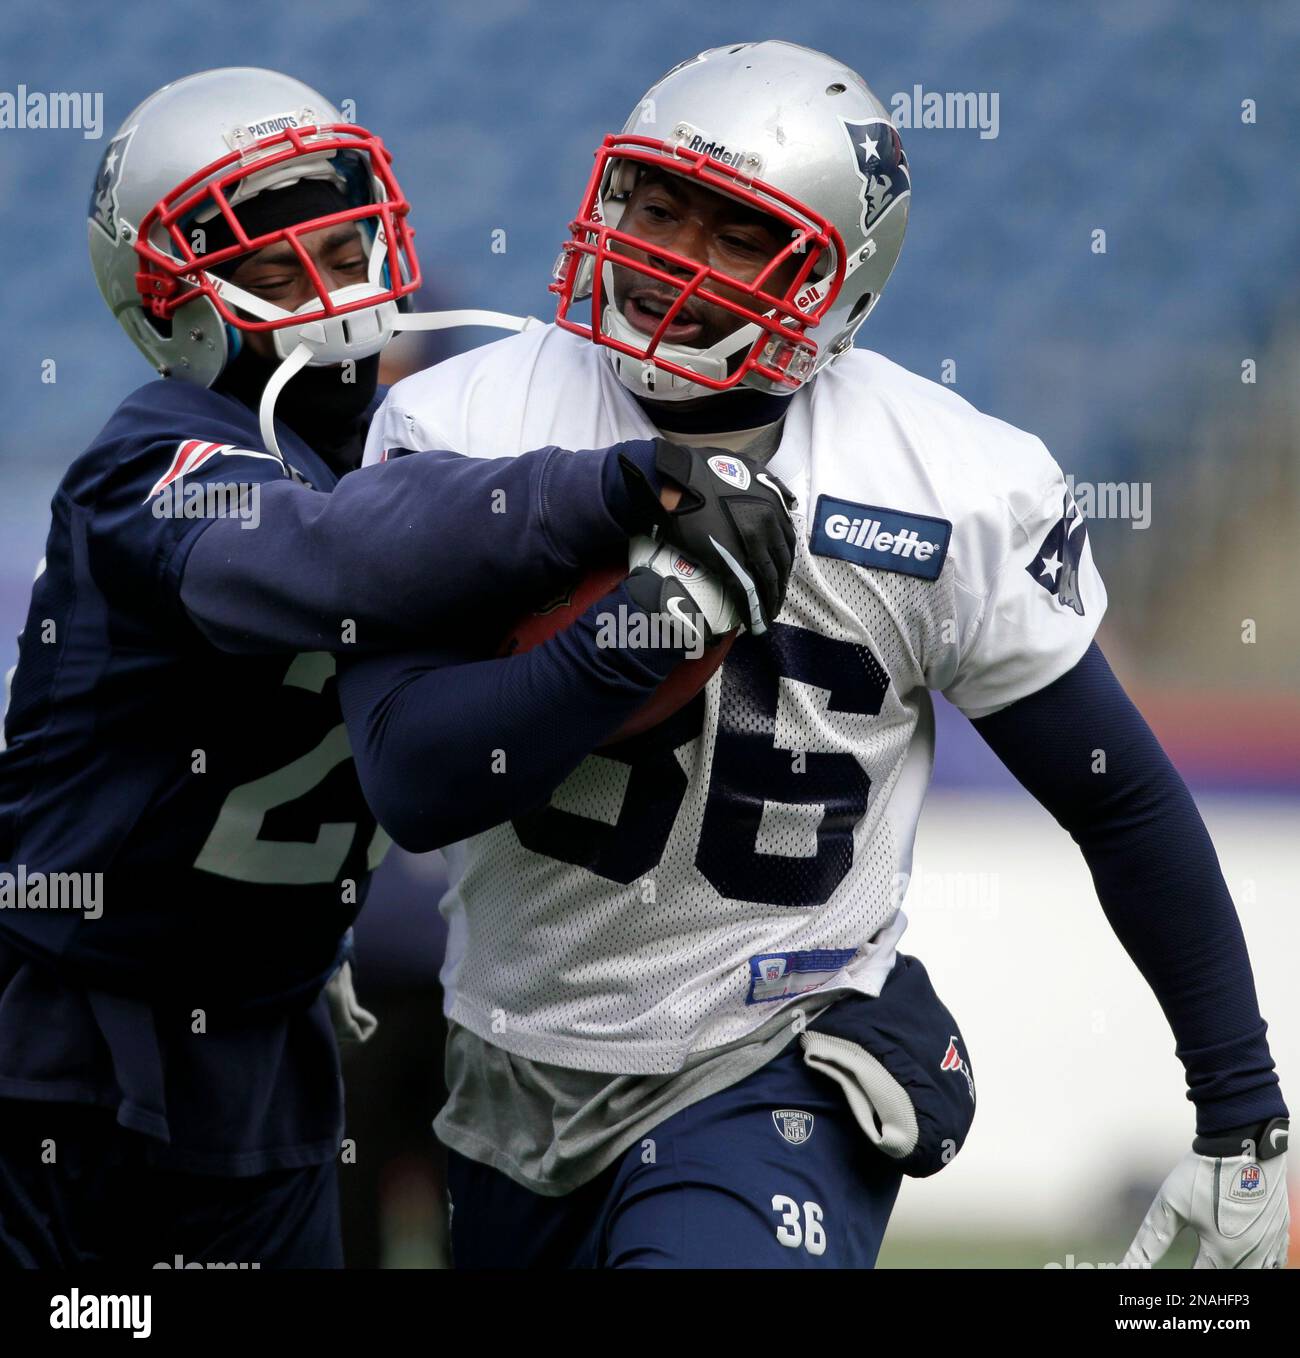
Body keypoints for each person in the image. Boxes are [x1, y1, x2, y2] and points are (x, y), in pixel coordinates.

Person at [338, 41, 1288, 1268]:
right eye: (659, 204)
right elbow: (414, 780)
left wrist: (1241, 1111)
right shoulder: (463, 426)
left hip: (766, 1053)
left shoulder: (945, 487)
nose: (673, 252)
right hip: (511, 1056)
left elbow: (1119, 798)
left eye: (735, 234)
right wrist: (649, 630)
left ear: (836, 282)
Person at [0, 65, 790, 1268]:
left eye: (347, 233)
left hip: (268, 1041)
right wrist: (621, 481)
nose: (332, 277)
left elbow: (465, 727)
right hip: (55, 1031)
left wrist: (657, 619)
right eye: (276, 262)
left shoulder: (417, 459)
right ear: (170, 300)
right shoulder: (149, 463)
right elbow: (338, 554)